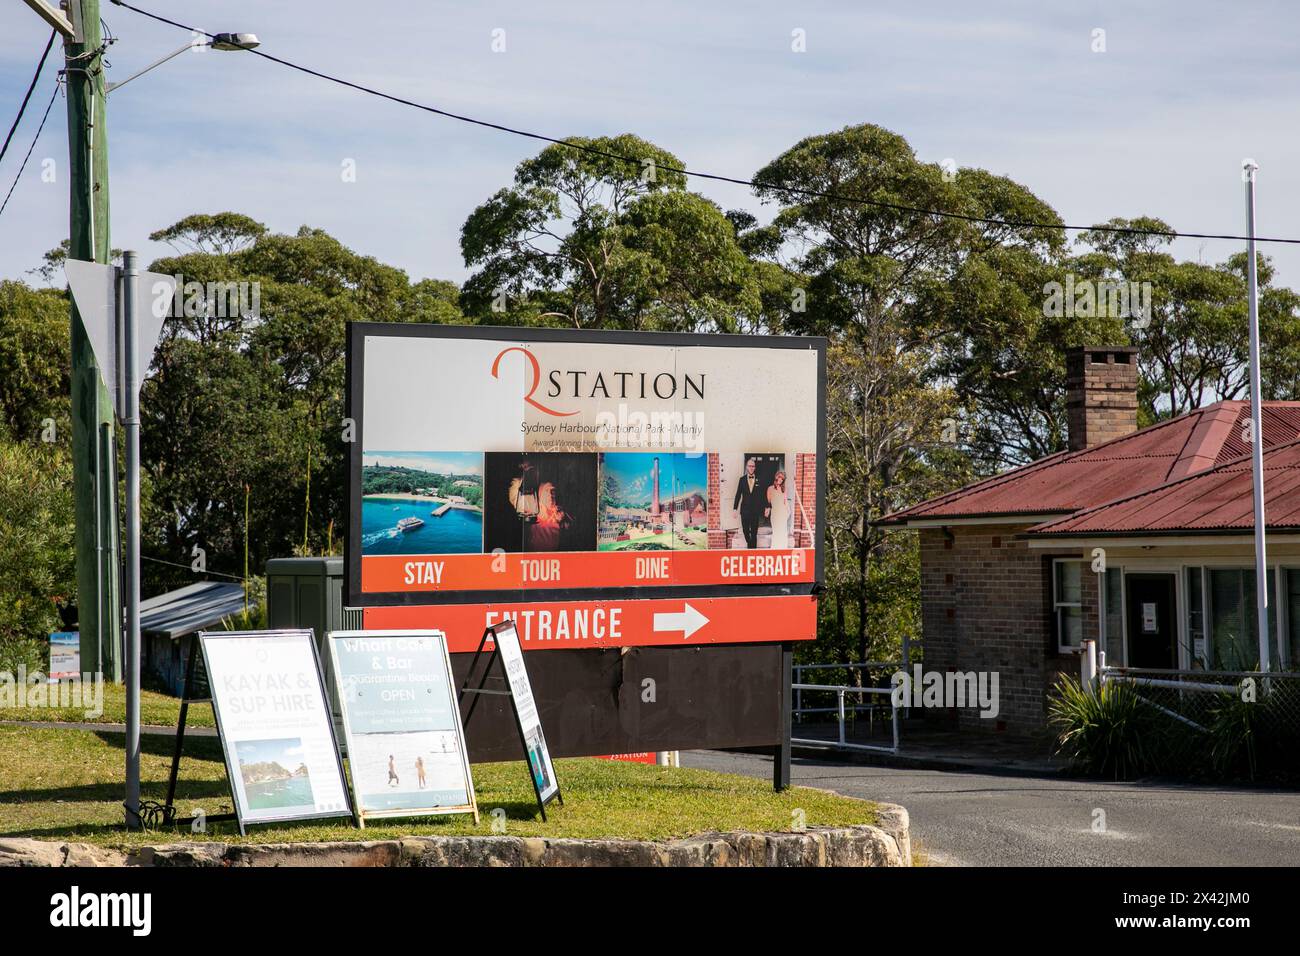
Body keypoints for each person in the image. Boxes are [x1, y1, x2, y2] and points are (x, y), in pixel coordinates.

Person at [732, 457, 768, 549]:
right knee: (745, 531)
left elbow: (764, 495)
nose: (751, 468)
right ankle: (750, 543)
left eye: (753, 466)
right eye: (749, 466)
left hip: (755, 511)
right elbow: (738, 495)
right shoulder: (742, 480)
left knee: (754, 533)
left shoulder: (759, 480)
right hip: (745, 511)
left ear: (755, 467)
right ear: (747, 467)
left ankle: (752, 550)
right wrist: (735, 509)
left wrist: (767, 507)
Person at [767, 470, 791, 549]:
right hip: (775, 514)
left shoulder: (784, 489)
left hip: (783, 513)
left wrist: (788, 512)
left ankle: (783, 549)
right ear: (776, 477)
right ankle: (775, 549)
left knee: (783, 533)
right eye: (779, 478)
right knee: (776, 532)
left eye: (782, 479)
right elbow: (769, 502)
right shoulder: (770, 489)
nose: (780, 480)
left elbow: (785, 501)